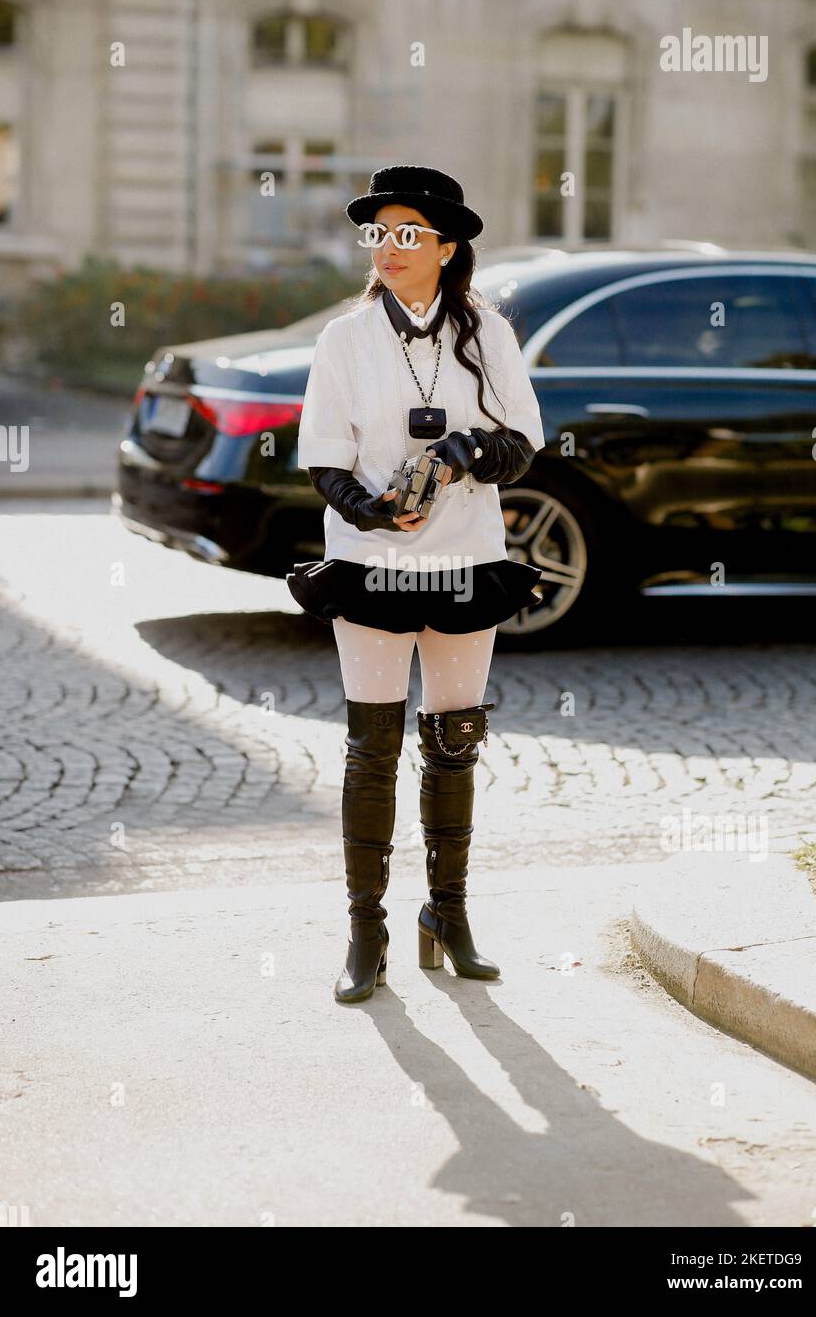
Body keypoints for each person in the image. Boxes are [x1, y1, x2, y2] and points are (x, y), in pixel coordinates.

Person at [287, 164, 545, 1004]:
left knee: (456, 739)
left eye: (407, 234)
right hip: (372, 568)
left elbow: (525, 443)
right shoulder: (344, 338)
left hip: (467, 560)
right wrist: (366, 511)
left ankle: (450, 914)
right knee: (372, 751)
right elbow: (324, 456)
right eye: (378, 233)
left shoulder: (489, 333)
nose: (389, 249)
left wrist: (471, 452)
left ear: (446, 245)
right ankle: (368, 934)